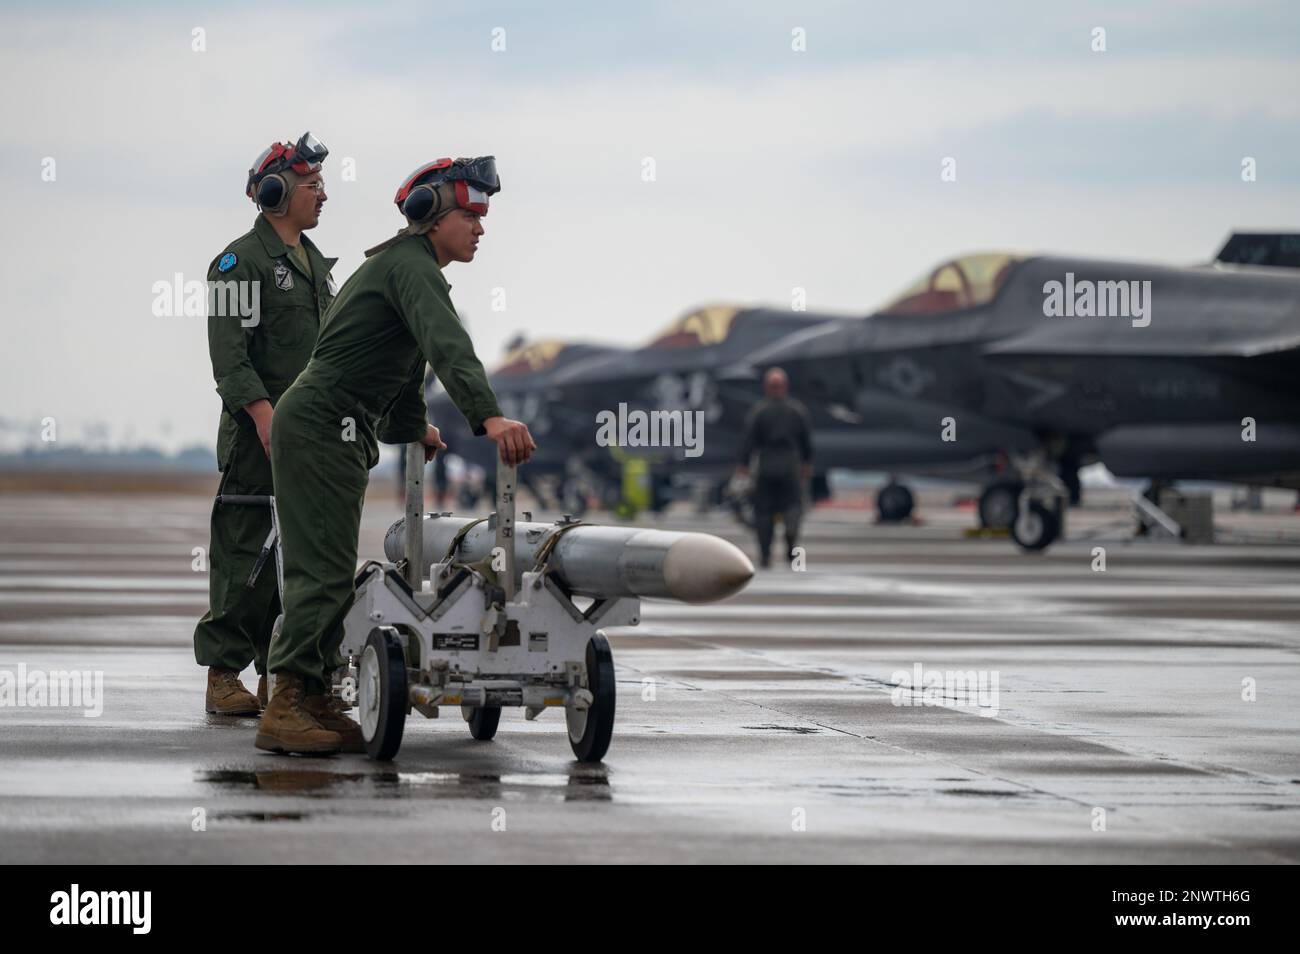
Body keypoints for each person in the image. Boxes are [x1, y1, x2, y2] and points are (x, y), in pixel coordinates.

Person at [258, 156, 536, 755]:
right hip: (320, 423)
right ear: (431, 216)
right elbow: (446, 342)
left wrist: (418, 428)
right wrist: (488, 417)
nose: (480, 227)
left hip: (332, 425)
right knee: (322, 573)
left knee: (330, 569)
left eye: (483, 216)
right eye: (470, 214)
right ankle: (285, 704)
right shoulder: (414, 271)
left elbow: (407, 370)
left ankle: (315, 697)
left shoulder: (403, 267)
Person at [194, 132, 337, 716]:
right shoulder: (238, 263)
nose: (323, 195)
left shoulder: (317, 269)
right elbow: (230, 359)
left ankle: (286, 677)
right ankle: (224, 674)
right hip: (260, 439)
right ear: (276, 192)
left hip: (312, 438)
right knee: (244, 554)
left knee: (304, 560)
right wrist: (262, 416)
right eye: (312, 185)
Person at [738, 367, 813, 569]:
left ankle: (765, 556)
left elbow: (749, 441)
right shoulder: (796, 410)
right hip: (789, 466)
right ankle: (790, 549)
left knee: (764, 513)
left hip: (767, 466)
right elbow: (806, 442)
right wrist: (806, 464)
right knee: (792, 509)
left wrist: (744, 465)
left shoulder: (760, 411)